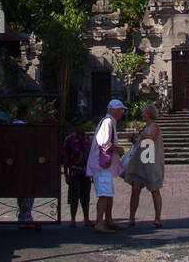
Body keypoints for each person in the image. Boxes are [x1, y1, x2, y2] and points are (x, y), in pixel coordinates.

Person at [124, 103, 165, 228]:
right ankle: (131, 218)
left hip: (150, 161)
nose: (142, 114)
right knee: (135, 188)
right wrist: (134, 140)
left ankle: (157, 219)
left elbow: (150, 138)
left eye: (144, 112)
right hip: (140, 161)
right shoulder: (145, 127)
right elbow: (142, 143)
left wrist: (141, 134)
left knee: (154, 189)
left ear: (149, 114)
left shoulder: (154, 127)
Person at [87, 99, 125, 233]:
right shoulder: (108, 122)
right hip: (102, 166)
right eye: (120, 110)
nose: (122, 113)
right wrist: (118, 149)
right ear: (114, 111)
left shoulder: (110, 122)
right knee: (104, 194)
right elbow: (104, 143)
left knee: (108, 194)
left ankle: (109, 220)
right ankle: (99, 223)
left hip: (106, 166)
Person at [12, 106, 41, 230]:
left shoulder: (13, 126)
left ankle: (23, 218)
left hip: (16, 163)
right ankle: (26, 218)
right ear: (24, 114)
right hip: (25, 163)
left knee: (22, 193)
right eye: (29, 112)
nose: (30, 115)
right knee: (27, 191)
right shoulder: (23, 127)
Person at [61, 120, 93, 227]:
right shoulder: (69, 139)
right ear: (75, 127)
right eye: (80, 125)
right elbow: (66, 157)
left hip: (86, 172)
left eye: (83, 125)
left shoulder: (86, 139)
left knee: (86, 196)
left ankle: (86, 218)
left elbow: (90, 155)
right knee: (74, 197)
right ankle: (73, 219)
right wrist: (66, 174)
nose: (82, 127)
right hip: (74, 172)